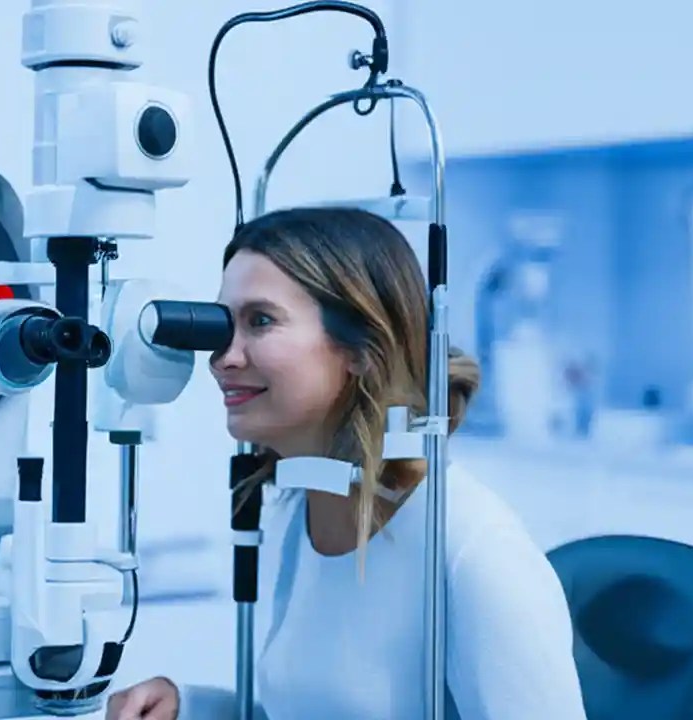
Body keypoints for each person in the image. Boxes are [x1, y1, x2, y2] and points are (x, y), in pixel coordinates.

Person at [105, 207, 587, 720]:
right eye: (227, 324)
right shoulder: (296, 511)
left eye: (260, 321)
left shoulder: (472, 551)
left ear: (362, 348)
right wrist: (190, 708)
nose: (223, 357)